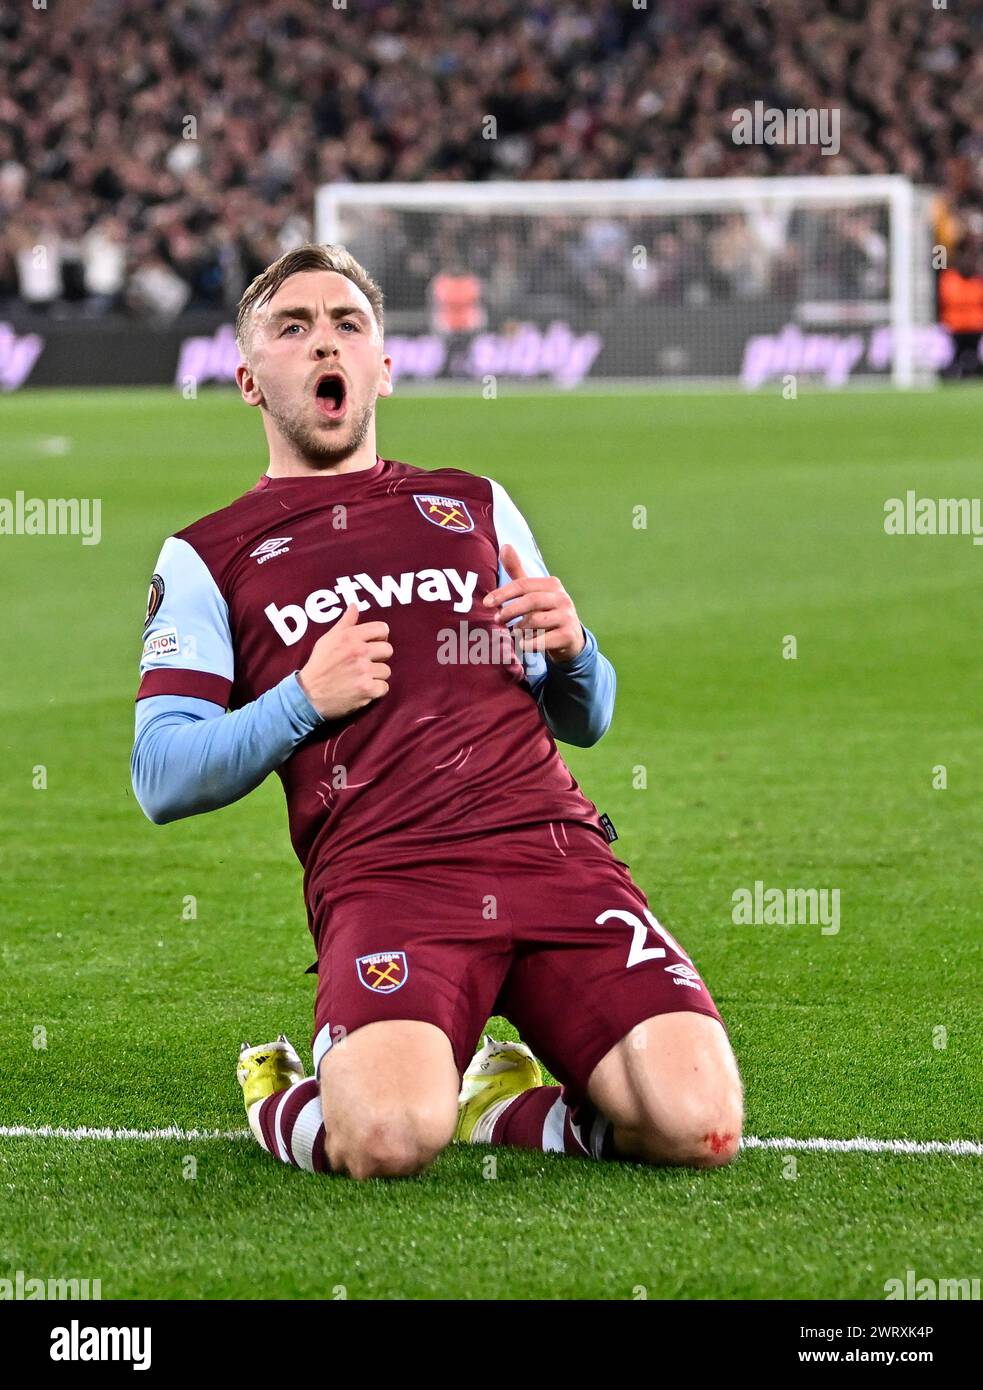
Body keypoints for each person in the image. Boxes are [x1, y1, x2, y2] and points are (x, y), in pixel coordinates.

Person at [130, 243, 743, 1179]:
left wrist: (576, 652)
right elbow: (162, 778)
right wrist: (300, 700)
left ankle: (498, 1103)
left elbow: (586, 718)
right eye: (293, 328)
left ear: (385, 363)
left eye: (348, 324)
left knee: (697, 1128)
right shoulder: (207, 554)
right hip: (389, 876)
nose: (324, 344)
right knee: (386, 1140)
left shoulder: (472, 504)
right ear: (251, 379)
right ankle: (284, 1093)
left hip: (554, 851)